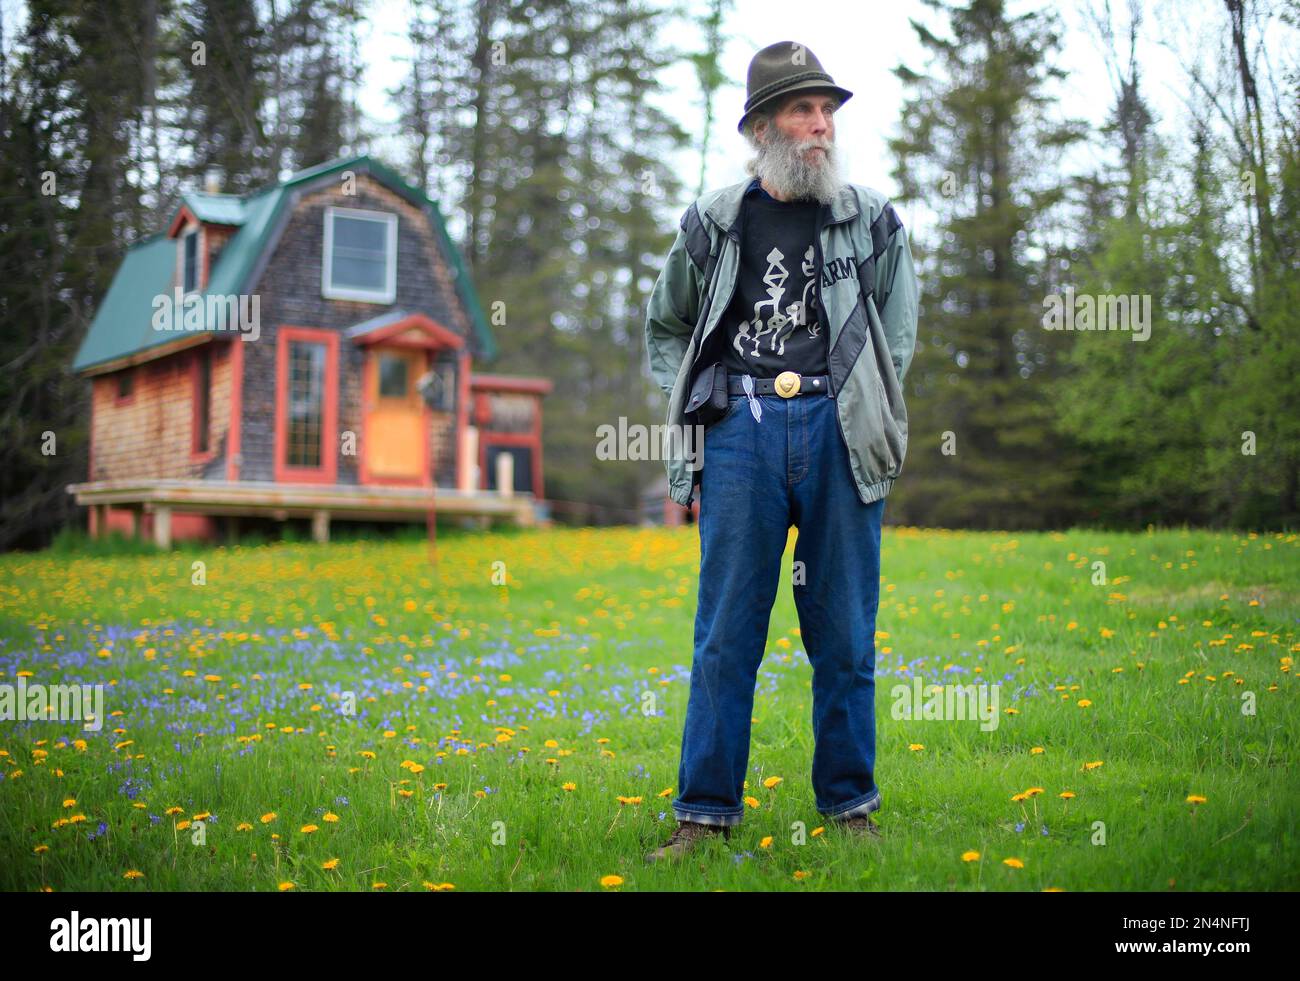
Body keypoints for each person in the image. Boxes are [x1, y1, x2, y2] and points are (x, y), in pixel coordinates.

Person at [642, 40, 919, 861]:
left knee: (844, 633)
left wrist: (867, 402)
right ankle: (703, 814)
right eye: (804, 109)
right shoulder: (714, 223)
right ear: (762, 126)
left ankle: (850, 806)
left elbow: (896, 332)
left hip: (839, 434)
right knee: (727, 632)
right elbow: (666, 325)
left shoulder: (871, 220)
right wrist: (697, 405)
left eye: (828, 110)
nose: (821, 125)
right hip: (741, 437)